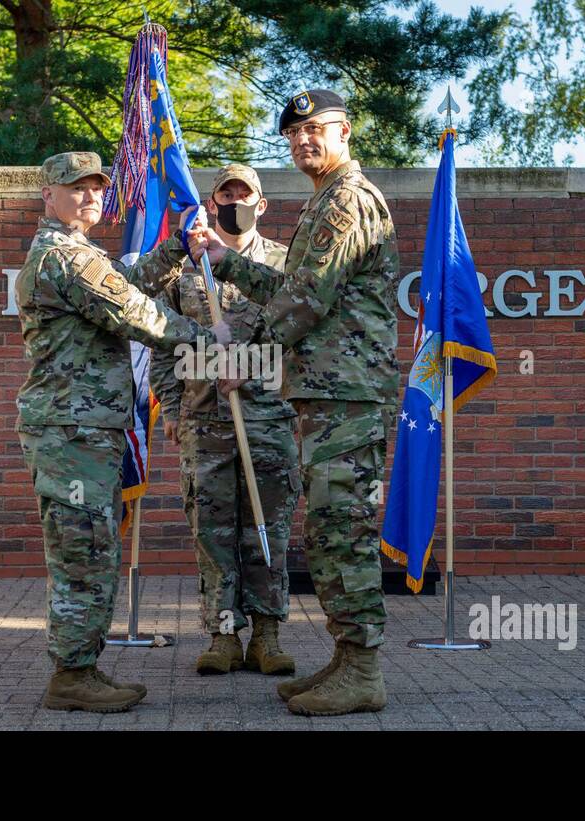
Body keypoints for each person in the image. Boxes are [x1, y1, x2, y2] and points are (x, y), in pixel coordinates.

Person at [187, 90, 400, 716]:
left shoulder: (347, 201)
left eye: (317, 129)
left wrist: (241, 351)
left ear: (345, 132)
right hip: (328, 394)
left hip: (345, 396)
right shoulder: (326, 200)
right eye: (295, 133)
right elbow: (292, 286)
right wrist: (226, 264)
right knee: (331, 530)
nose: (305, 140)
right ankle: (345, 658)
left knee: (342, 532)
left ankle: (363, 668)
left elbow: (304, 304)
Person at [16, 151, 229, 712]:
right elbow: (136, 311)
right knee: (83, 555)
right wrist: (214, 343)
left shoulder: (80, 253)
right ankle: (70, 675)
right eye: (76, 188)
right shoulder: (63, 257)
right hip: (72, 432)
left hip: (86, 429)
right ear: (48, 195)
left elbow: (128, 281)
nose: (89, 197)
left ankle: (82, 665)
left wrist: (175, 250)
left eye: (96, 188)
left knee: (94, 550)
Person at [149, 163, 300, 676]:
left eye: (245, 193)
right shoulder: (190, 268)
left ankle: (269, 635)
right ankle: (223, 635)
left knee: (268, 526)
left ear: (262, 203)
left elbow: (300, 331)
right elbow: (161, 342)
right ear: (211, 203)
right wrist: (170, 405)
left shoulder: (285, 263)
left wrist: (255, 368)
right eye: (225, 193)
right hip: (203, 419)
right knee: (212, 531)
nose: (235, 200)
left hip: (269, 418)